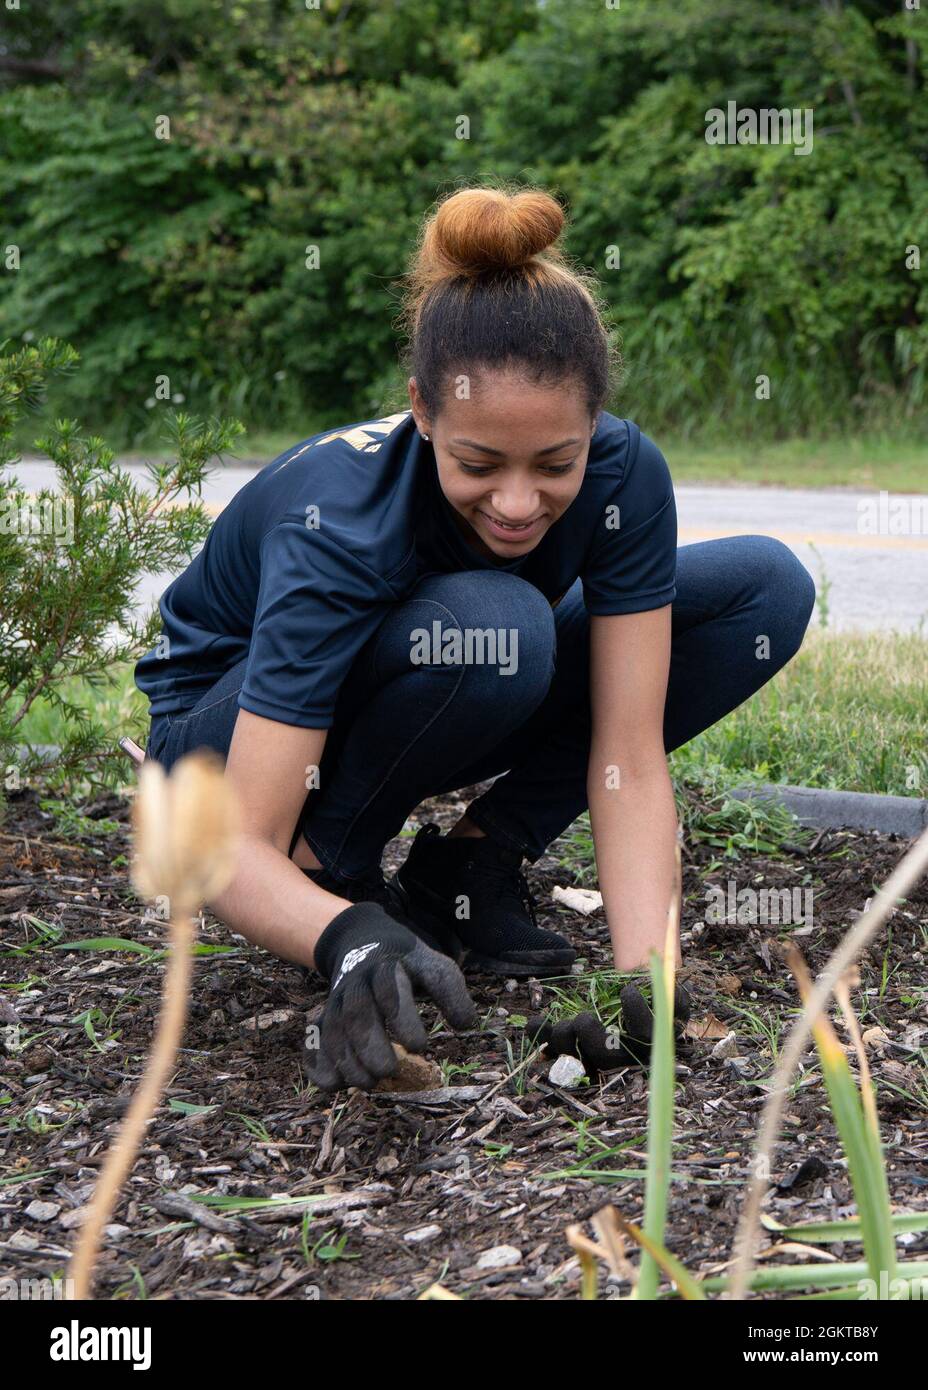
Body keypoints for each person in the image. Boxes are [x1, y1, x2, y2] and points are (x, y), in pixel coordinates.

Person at [135, 184, 816, 1092]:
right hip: (218, 736)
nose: (519, 503)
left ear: (593, 425)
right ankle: (335, 874)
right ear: (423, 410)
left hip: (441, 670)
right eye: (479, 464)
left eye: (556, 462)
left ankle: (470, 862)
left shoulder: (626, 475)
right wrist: (341, 939)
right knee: (498, 626)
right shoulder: (336, 518)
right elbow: (224, 843)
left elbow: (629, 754)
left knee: (763, 590)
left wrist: (643, 974)